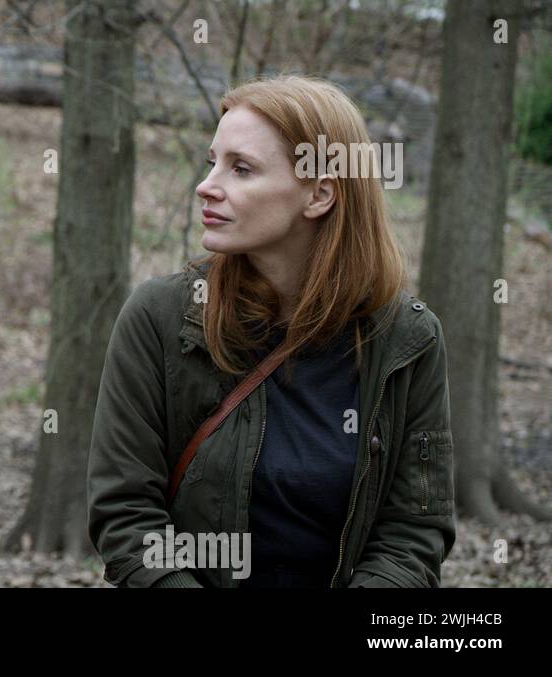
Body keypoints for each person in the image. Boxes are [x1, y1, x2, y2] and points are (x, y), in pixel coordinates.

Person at [87, 75, 455, 588]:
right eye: (212, 161)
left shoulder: (407, 341)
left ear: (319, 194)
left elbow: (413, 536)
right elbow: (126, 516)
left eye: (241, 168)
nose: (207, 184)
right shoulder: (161, 318)